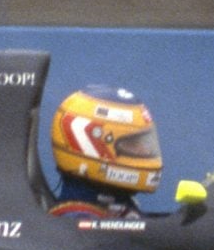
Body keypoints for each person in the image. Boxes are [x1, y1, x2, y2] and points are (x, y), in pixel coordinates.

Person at [48, 85, 162, 219]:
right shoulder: (78, 221)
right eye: (133, 144)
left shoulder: (114, 211)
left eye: (146, 143)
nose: (145, 150)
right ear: (91, 145)